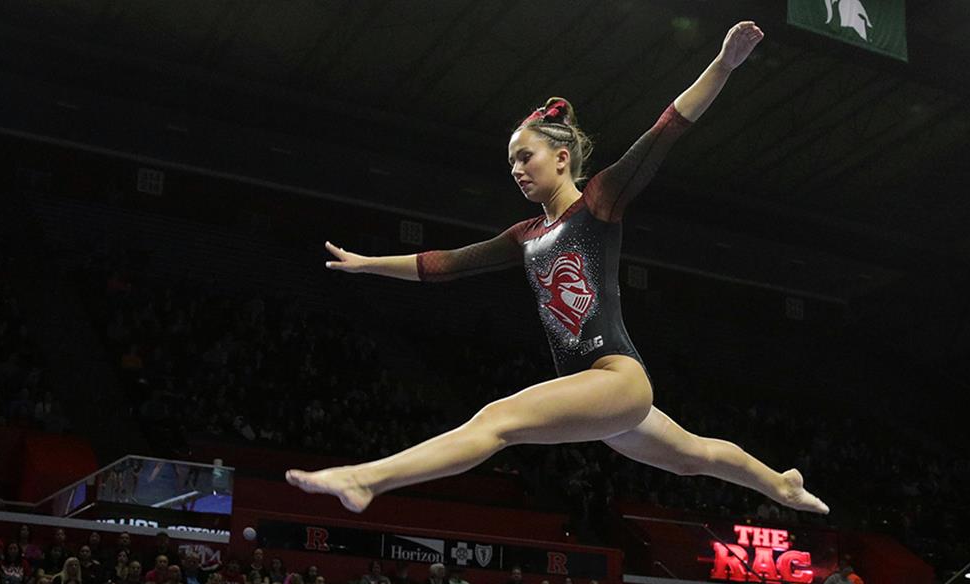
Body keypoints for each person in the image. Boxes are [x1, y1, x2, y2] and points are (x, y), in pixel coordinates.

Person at [288, 21, 826, 520]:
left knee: (496, 422)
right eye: (512, 165)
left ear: (562, 157)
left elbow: (667, 128)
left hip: (616, 379)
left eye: (526, 157)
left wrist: (724, 65)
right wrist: (367, 264)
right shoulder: (525, 236)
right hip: (595, 392)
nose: (517, 171)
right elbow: (445, 265)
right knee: (692, 457)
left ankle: (366, 478)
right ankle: (781, 485)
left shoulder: (599, 202)